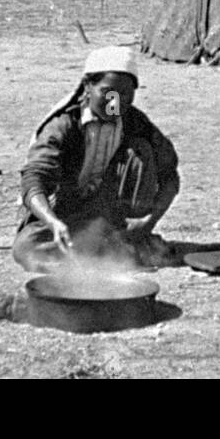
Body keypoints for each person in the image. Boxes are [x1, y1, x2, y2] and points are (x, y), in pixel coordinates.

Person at [12, 46, 181, 271]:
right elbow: (33, 180)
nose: (115, 103)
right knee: (26, 248)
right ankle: (107, 252)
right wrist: (53, 223)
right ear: (87, 87)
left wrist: (148, 222)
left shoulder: (136, 123)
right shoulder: (63, 126)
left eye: (126, 95)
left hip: (108, 213)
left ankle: (118, 241)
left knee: (141, 151)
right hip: (62, 212)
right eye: (108, 92)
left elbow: (170, 176)